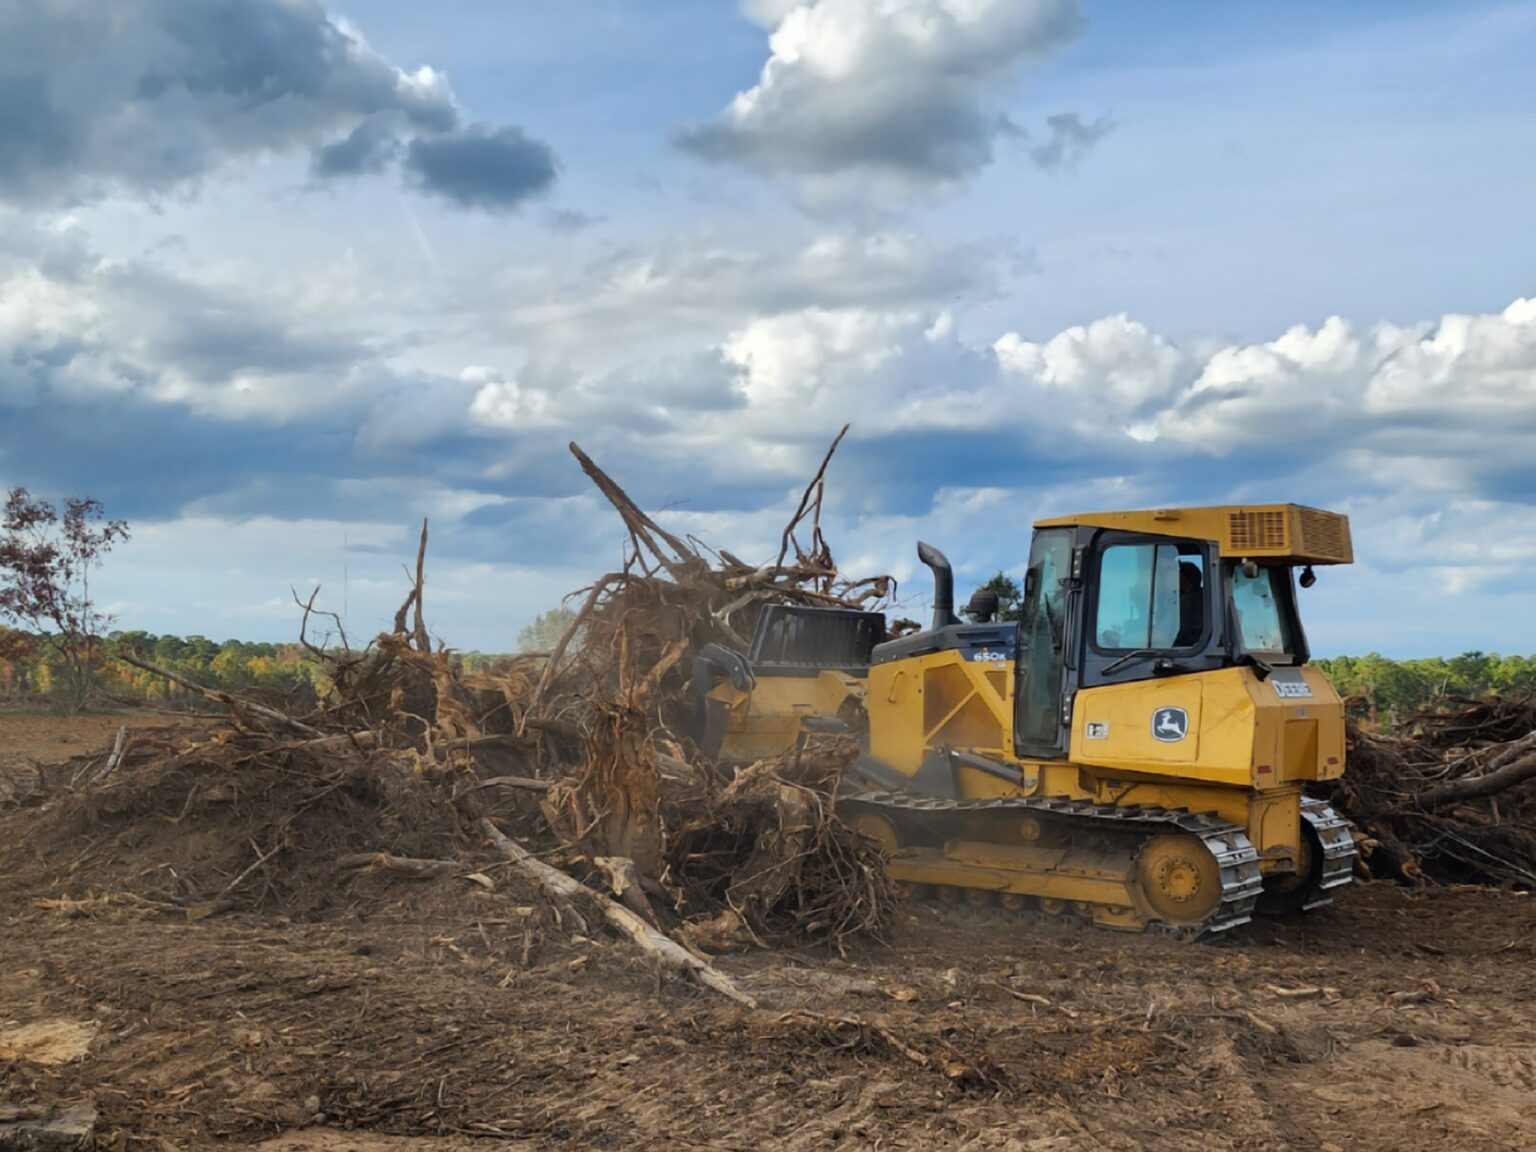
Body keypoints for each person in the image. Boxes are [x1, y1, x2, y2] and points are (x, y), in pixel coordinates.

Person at [1173, 562, 1204, 647]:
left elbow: (1162, 636)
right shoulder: (1204, 598)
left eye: (1176, 578)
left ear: (1187, 584)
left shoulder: (1187, 601)